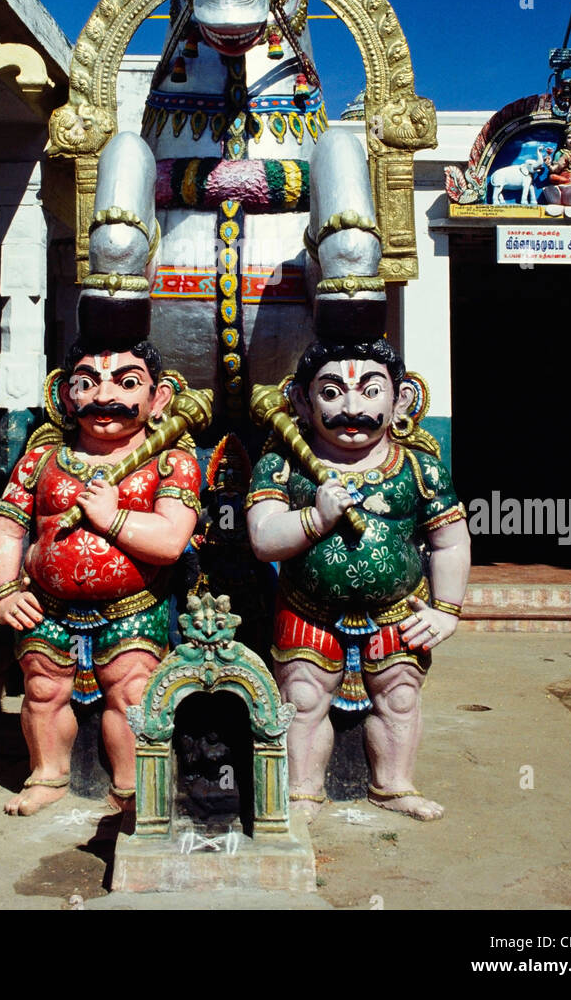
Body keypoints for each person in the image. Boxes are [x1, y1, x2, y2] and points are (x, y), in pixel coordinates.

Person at [247, 338, 470, 821]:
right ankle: (303, 792)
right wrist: (317, 518)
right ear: (302, 401)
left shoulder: (418, 468)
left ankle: (394, 784)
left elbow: (450, 541)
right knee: (303, 701)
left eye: (371, 392)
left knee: (401, 697)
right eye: (330, 393)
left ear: (401, 398)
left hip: (398, 612)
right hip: (308, 609)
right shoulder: (282, 465)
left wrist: (446, 610)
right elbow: (264, 538)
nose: (353, 409)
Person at [0, 337, 201, 816]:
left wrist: (112, 518)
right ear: (65, 395)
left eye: (127, 383)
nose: (105, 397)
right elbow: (6, 527)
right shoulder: (41, 460)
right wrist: (3, 592)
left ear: (158, 397)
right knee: (42, 690)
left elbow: (169, 541)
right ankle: (47, 775)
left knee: (131, 695)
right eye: (86, 383)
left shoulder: (170, 461)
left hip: (132, 607)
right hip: (47, 606)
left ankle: (130, 788)